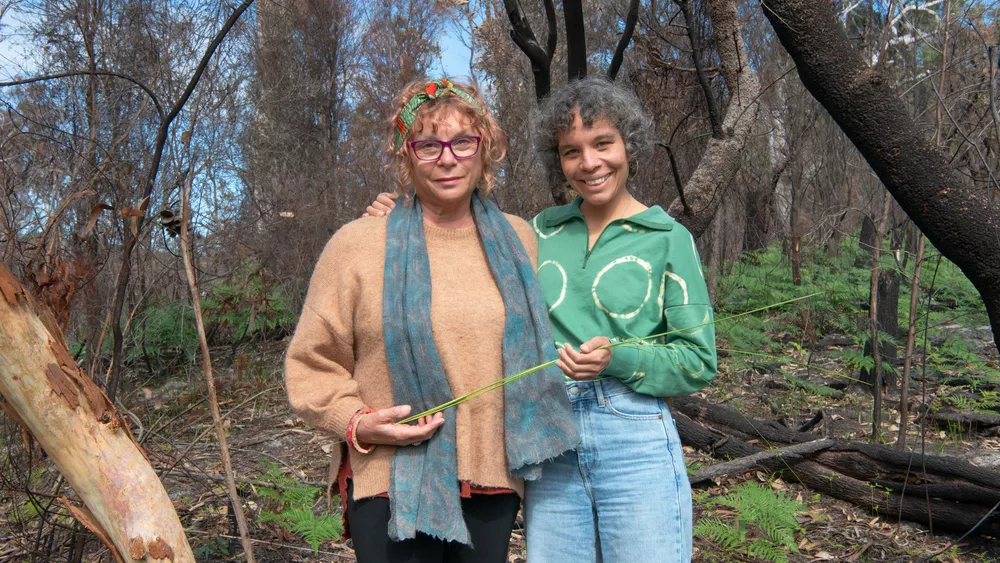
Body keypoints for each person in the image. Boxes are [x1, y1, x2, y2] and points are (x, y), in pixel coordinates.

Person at [365, 76, 718, 562]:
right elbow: (463, 265)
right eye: (572, 151)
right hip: (545, 436)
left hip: (633, 435)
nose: (590, 163)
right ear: (560, 161)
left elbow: (699, 361)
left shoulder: (667, 237)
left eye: (603, 144)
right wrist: (400, 216)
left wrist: (618, 357)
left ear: (629, 146)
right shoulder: (537, 234)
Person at [286, 78, 578, 563]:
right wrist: (357, 422)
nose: (448, 157)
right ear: (406, 156)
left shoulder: (520, 240)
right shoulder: (358, 245)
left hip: (491, 479)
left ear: (486, 149)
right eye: (428, 145)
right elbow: (310, 363)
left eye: (463, 141)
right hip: (387, 479)